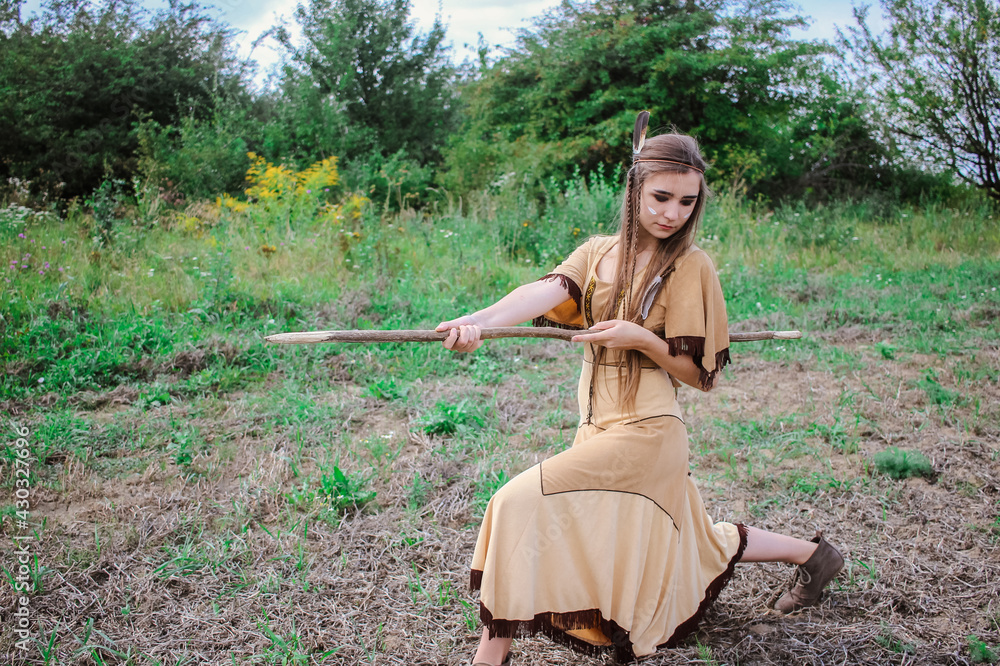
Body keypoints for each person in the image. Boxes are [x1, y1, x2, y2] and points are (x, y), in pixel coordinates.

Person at [435, 113, 844, 665]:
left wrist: (643, 340)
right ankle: (817, 557)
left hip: (649, 433)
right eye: (660, 197)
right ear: (633, 188)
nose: (672, 213)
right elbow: (540, 293)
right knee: (694, 539)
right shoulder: (598, 252)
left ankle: (490, 656)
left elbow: (703, 376)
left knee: (516, 503)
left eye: (686, 202)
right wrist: (476, 322)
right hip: (596, 428)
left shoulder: (692, 265)